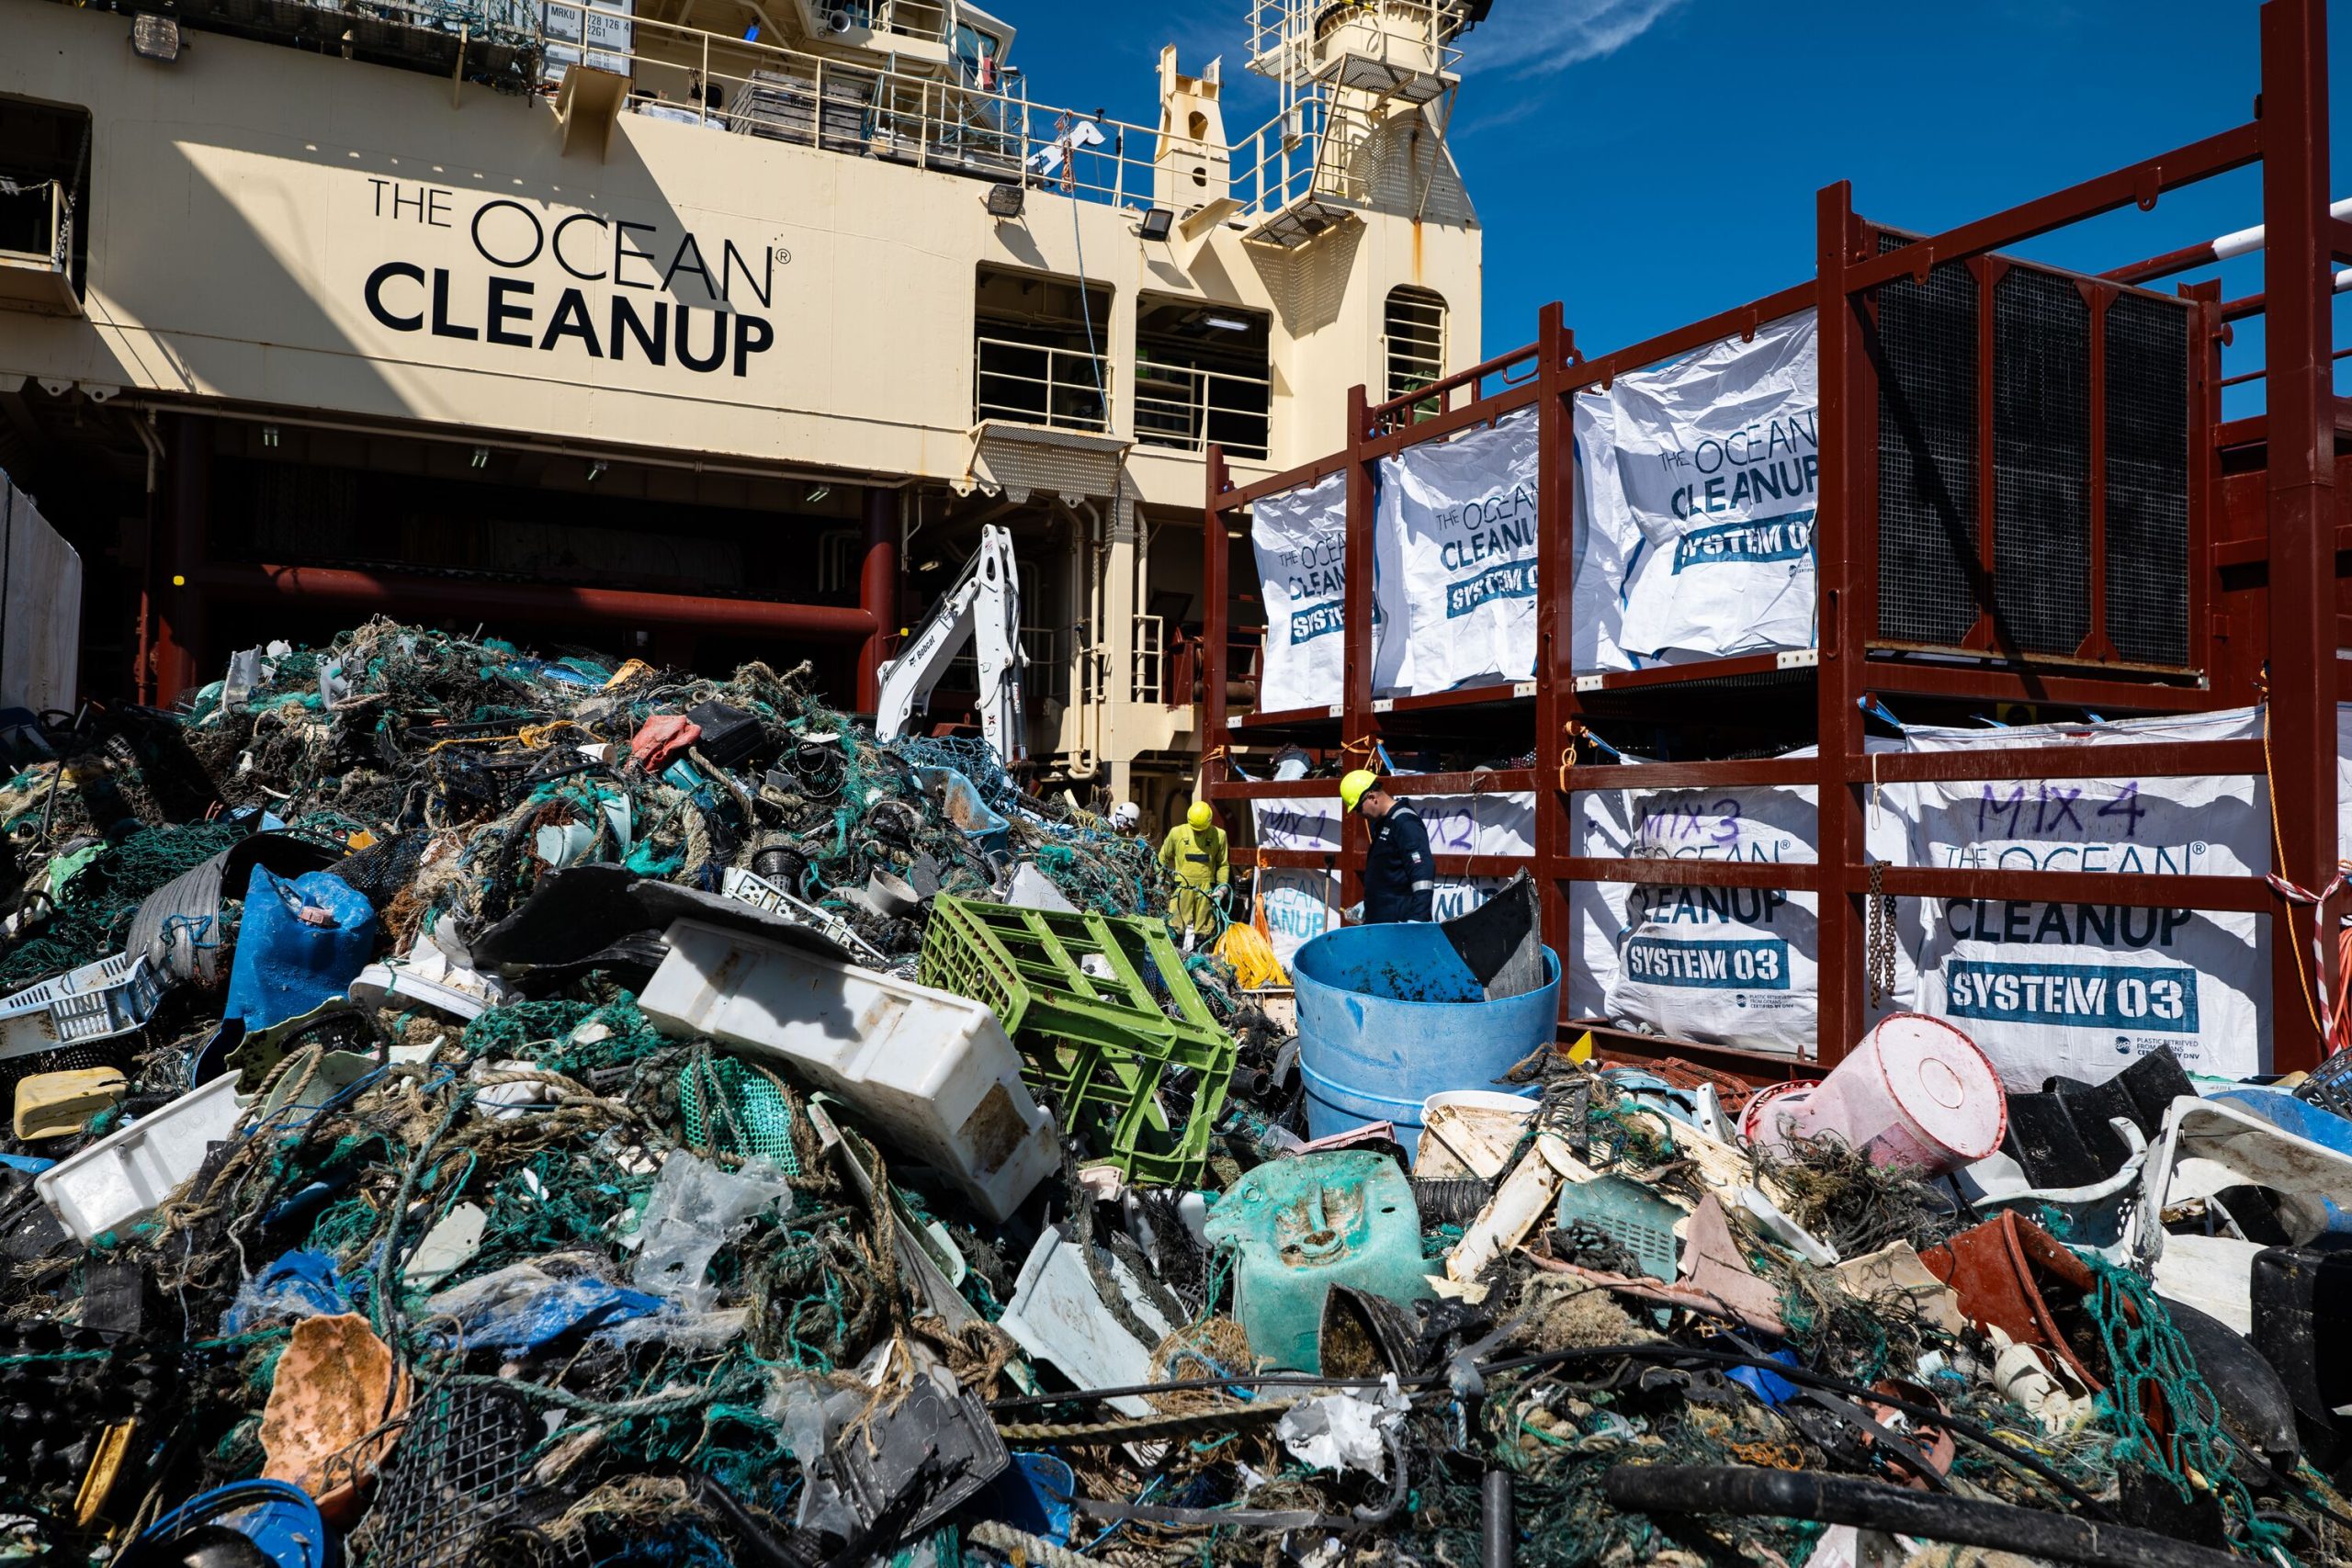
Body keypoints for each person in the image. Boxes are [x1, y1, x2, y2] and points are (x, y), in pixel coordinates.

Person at [1340, 769, 1432, 923]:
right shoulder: (1383, 823)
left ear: (1372, 797)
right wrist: (1370, 905)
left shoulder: (1405, 823)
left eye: (1358, 808)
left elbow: (1422, 871)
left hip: (1399, 922)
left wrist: (1418, 918)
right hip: (1383, 920)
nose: (1359, 814)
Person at [1158, 800, 1228, 938]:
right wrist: (1159, 881)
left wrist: (1222, 888)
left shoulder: (1219, 836)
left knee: (1204, 930)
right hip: (1182, 888)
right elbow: (1162, 858)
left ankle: (1199, 956)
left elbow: (1223, 864)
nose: (1199, 834)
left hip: (1206, 889)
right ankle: (1175, 956)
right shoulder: (1176, 833)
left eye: (1202, 831)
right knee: (1175, 927)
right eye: (1196, 831)